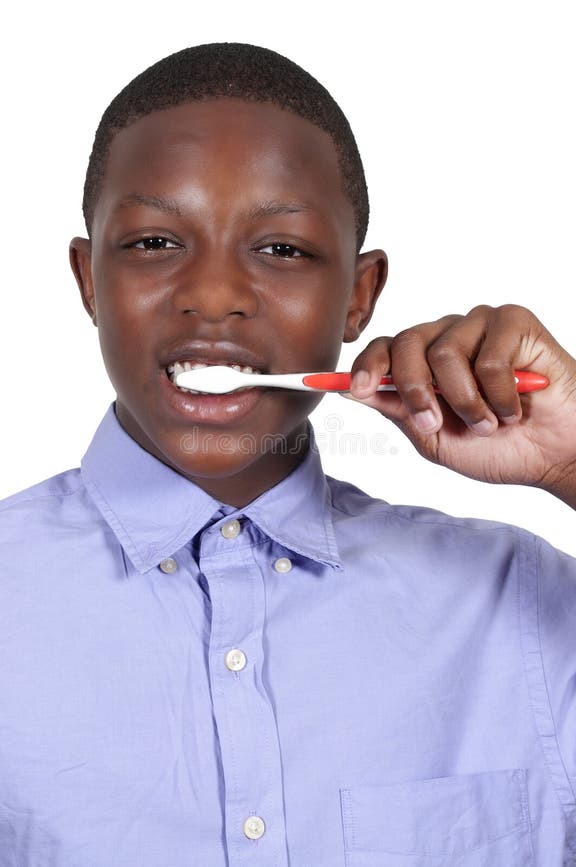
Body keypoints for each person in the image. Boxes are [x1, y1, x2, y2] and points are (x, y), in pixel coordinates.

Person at [0, 42, 575, 867]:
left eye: (282, 250)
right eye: (155, 241)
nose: (214, 296)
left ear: (359, 295)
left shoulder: (521, 605)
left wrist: (570, 460)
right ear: (89, 279)